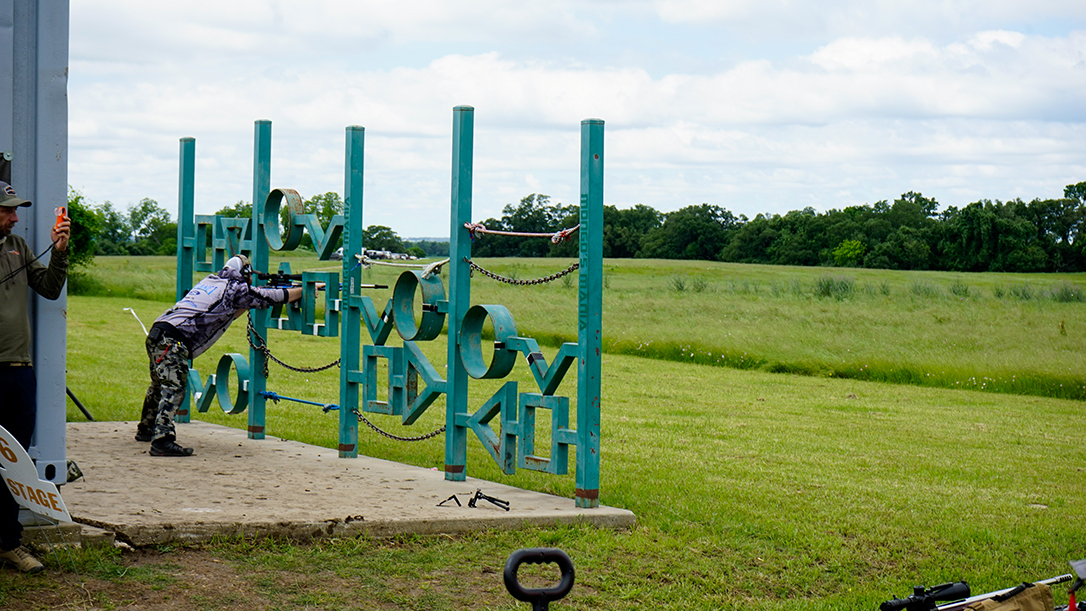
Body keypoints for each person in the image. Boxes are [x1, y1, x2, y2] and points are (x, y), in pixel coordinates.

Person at [137, 254, 305, 457]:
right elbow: (268, 298)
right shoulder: (235, 289)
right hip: (173, 341)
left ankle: (146, 429)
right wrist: (302, 291)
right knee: (174, 388)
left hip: (159, 332)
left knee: (159, 385)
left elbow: (229, 311)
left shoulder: (212, 281)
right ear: (244, 274)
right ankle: (162, 440)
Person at [0, 180, 70, 574]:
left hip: (19, 372)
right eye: (7, 211)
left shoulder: (19, 248)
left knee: (14, 465)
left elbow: (49, 287)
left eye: (15, 210)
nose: (14, 217)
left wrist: (59, 252)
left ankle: (9, 544)